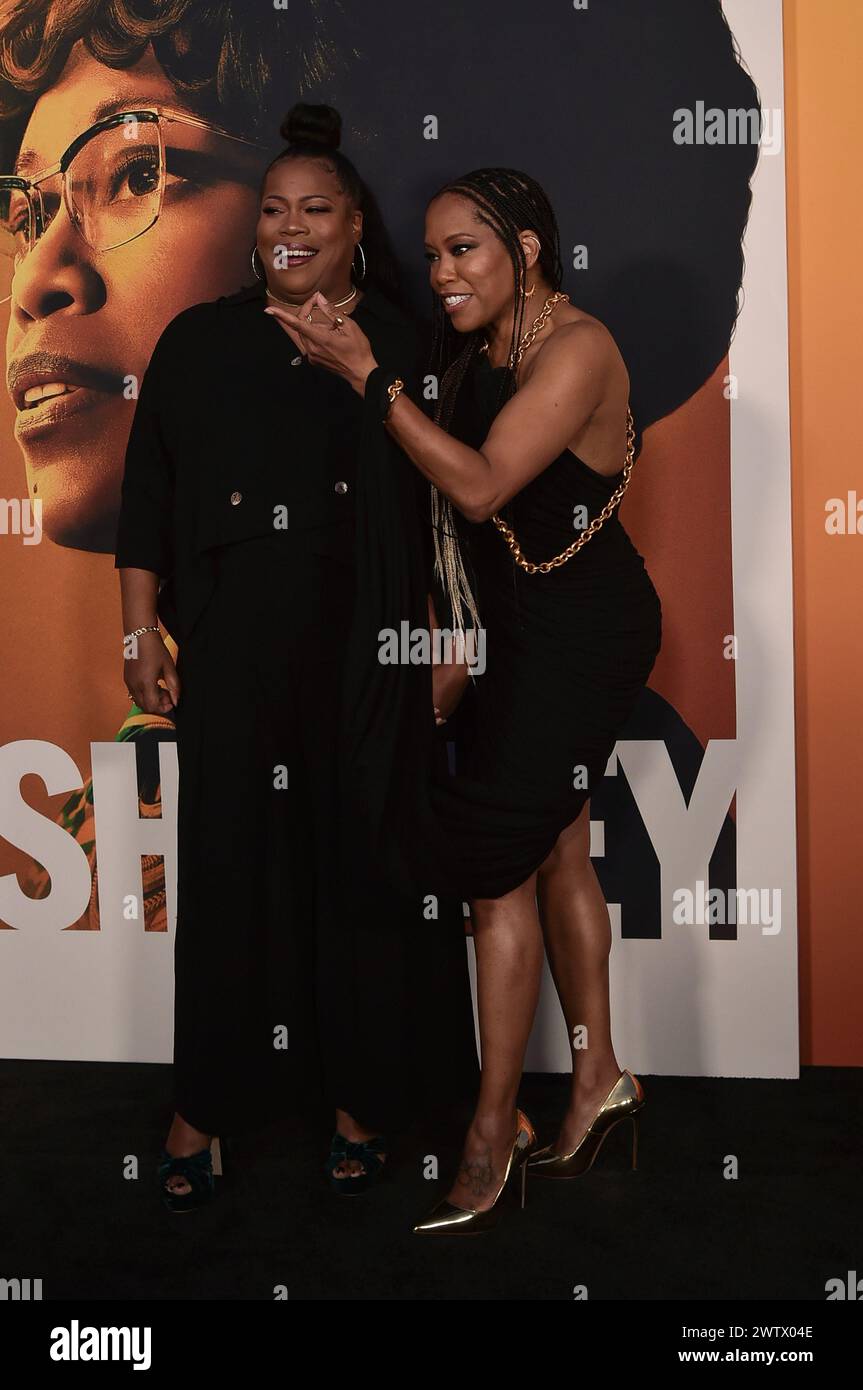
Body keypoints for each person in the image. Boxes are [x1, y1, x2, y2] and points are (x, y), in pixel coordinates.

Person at [262, 165, 663, 1235]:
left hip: (583, 635)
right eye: (432, 253)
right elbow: (449, 529)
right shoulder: (479, 348)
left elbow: (480, 487)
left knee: (493, 872)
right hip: (511, 632)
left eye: (464, 250)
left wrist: (367, 380)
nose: (442, 272)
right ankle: (596, 1082)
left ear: (525, 248)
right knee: (561, 852)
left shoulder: (578, 349)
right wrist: (453, 635)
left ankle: (493, 1133)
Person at [114, 103, 478, 1211]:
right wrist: (139, 628)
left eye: (314, 208)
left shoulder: (409, 346)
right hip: (229, 652)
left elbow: (463, 516)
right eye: (272, 208)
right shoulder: (197, 340)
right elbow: (148, 503)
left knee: (367, 869)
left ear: (355, 224)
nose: (289, 225)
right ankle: (204, 1106)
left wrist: (450, 644)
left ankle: (361, 1101)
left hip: (373, 654)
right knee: (227, 871)